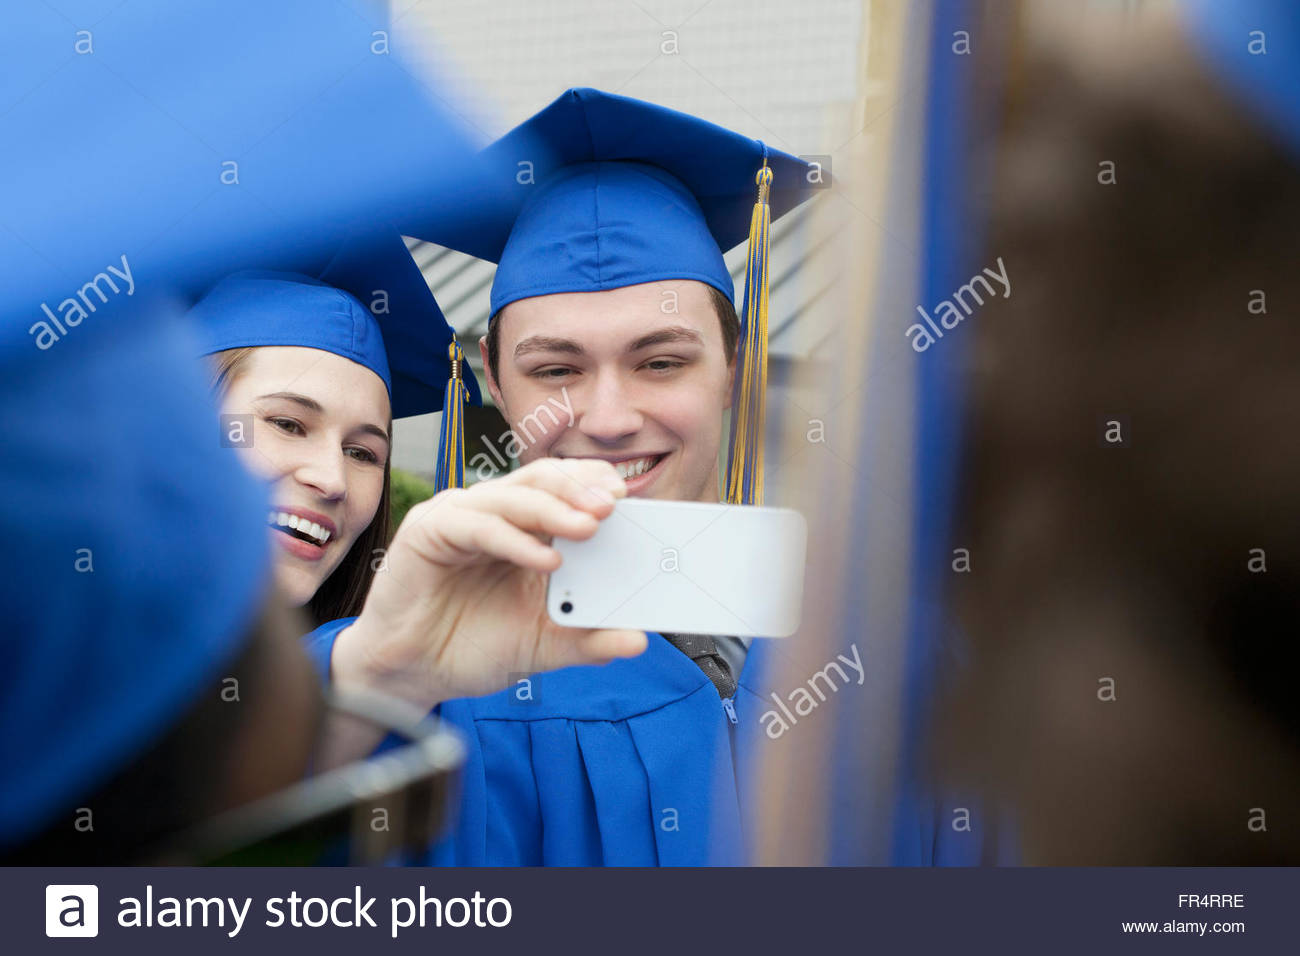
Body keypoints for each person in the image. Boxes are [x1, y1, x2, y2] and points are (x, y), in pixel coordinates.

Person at [297, 88, 821, 865]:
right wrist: (378, 674)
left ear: (733, 369)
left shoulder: (877, 645)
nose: (607, 417)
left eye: (662, 361)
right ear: (497, 384)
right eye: (556, 369)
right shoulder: (423, 676)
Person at [186, 233, 647, 766]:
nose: (331, 477)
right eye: (288, 424)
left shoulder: (403, 715)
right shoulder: (77, 669)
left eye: (363, 453)